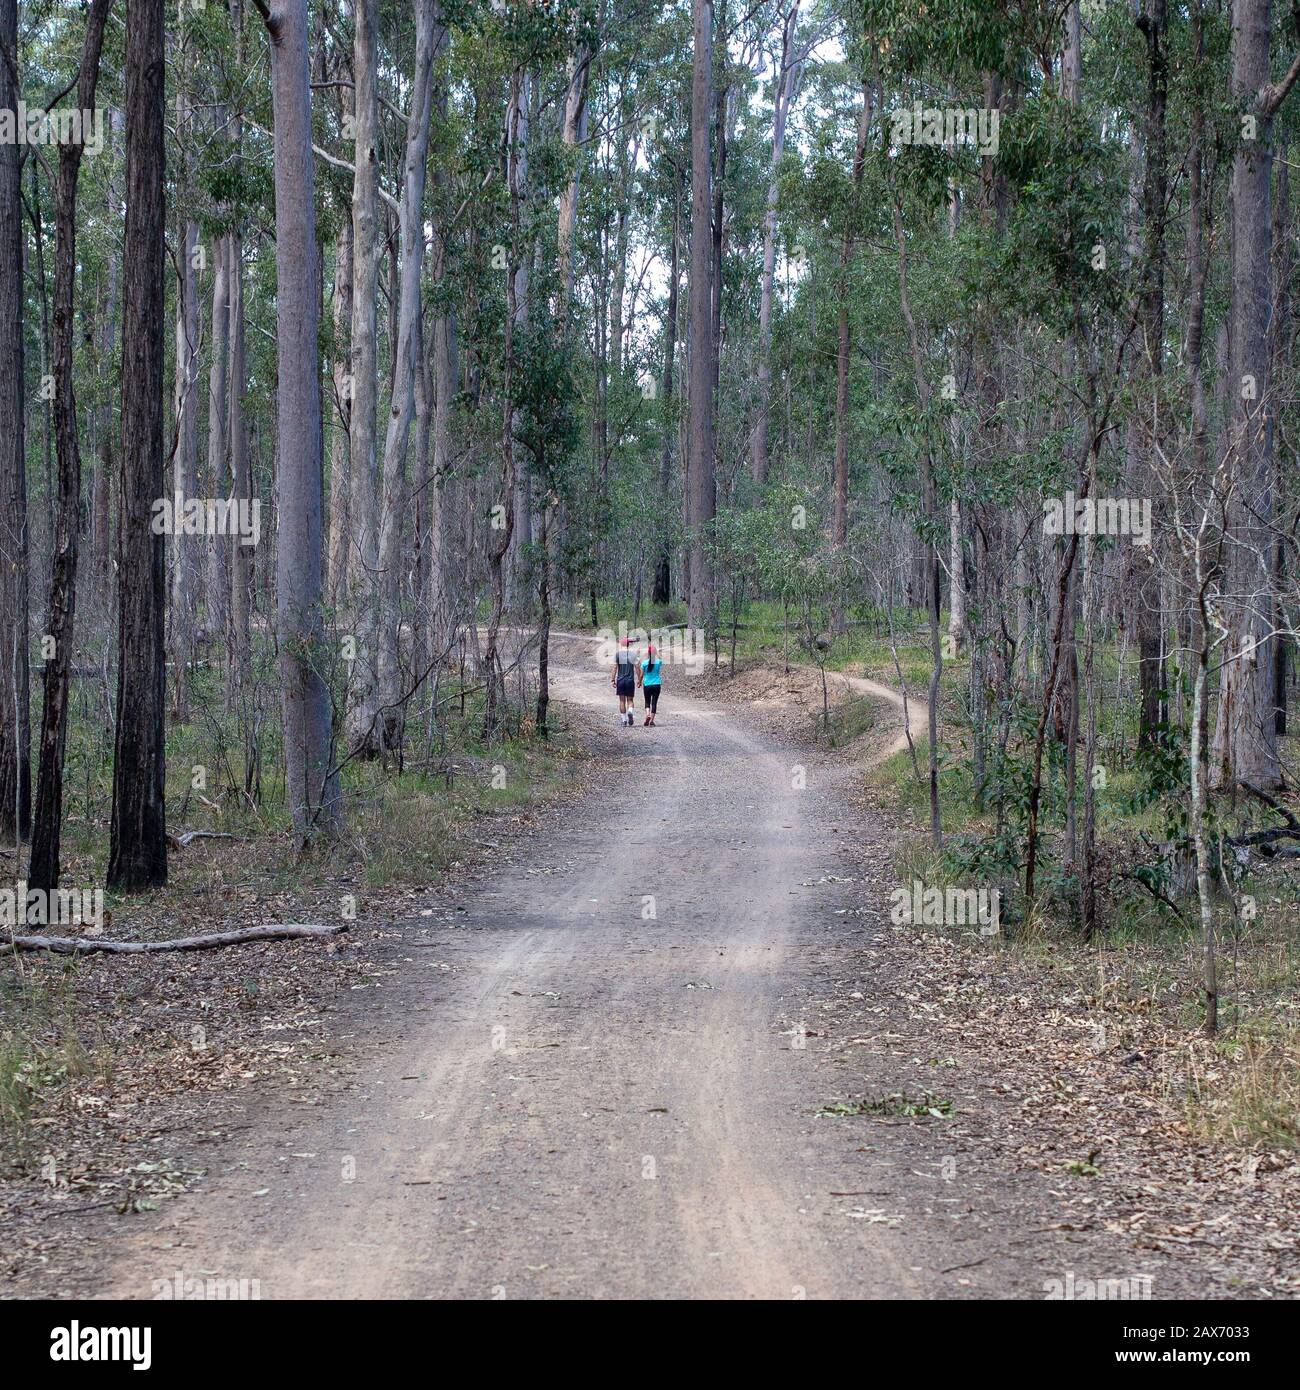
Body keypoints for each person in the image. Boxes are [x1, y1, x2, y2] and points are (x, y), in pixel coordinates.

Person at [612, 637, 638, 726]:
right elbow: (637, 667)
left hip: (620, 680)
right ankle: (630, 711)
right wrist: (639, 679)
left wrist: (612, 680)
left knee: (622, 701)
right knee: (630, 700)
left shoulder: (617, 654)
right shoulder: (633, 654)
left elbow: (615, 667)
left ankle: (624, 721)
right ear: (628, 644)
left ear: (621, 644)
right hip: (630, 680)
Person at [638, 643, 663, 726]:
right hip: (656, 684)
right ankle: (652, 721)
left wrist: (639, 682)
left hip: (647, 684)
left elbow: (641, 675)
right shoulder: (658, 662)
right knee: (654, 703)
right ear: (654, 653)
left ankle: (647, 714)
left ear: (648, 653)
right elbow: (660, 659)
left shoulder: (644, 663)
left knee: (647, 701)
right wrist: (657, 653)